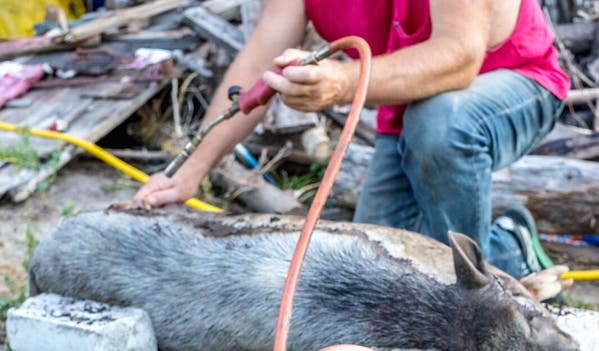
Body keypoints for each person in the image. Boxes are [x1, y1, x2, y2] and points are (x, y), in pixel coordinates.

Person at [134, 0, 570, 280]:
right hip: (410, 104)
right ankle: (511, 250)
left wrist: (342, 82)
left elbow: (459, 57)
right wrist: (190, 172)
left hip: (518, 80)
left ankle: (478, 310)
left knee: (442, 126)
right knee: (376, 268)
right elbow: (257, 69)